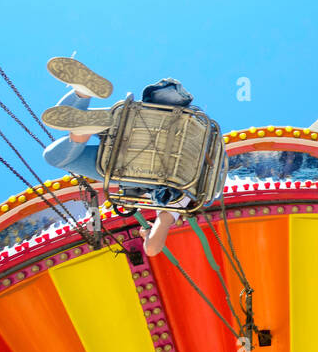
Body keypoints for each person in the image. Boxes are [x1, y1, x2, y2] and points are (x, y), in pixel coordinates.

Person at [39, 57, 217, 257]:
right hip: (135, 166)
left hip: (141, 128)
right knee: (55, 157)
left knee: (68, 126)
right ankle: (82, 128)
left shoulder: (195, 158)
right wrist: (147, 235)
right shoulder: (177, 201)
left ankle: (82, 94)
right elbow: (152, 249)